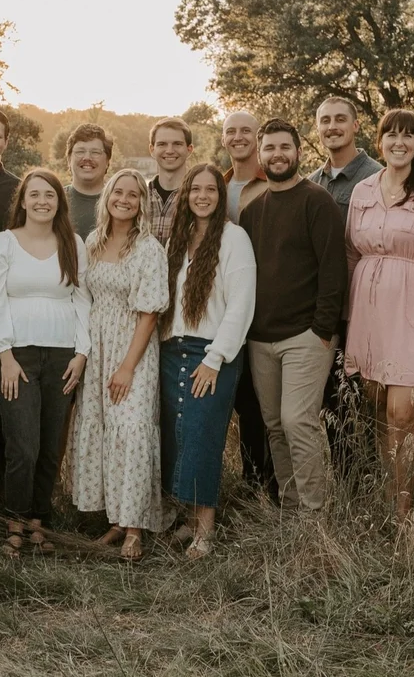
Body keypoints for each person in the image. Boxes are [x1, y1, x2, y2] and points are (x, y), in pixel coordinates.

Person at [344, 110, 414, 517]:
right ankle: (389, 492)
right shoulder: (362, 191)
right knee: (378, 409)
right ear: (380, 142)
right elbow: (350, 253)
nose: (399, 142)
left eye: (408, 136)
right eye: (391, 135)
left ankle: (405, 508)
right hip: (368, 315)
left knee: (402, 413)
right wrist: (348, 317)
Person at [0, 169, 91, 556]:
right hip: (18, 356)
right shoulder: (4, 243)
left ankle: (40, 522)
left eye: (50, 195)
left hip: (63, 356)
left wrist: (82, 353)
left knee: (48, 445)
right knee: (22, 445)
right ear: (23, 201)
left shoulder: (73, 243)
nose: (42, 201)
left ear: (59, 202)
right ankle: (15, 521)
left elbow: (83, 299)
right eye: (35, 194)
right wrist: (4, 355)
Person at [240, 119, 347, 512]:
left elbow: (334, 271)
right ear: (260, 155)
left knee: (297, 422)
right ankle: (290, 508)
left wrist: (322, 330)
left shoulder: (317, 201)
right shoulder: (252, 212)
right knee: (273, 425)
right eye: (269, 148)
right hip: (260, 338)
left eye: (284, 147)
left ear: (299, 152)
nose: (277, 155)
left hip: (306, 336)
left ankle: (313, 514)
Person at [69, 169, 169, 560]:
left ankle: (134, 529)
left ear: (142, 203)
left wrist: (127, 366)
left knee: (131, 430)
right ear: (107, 197)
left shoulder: (148, 249)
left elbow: (149, 314)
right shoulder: (93, 241)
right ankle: (115, 518)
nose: (124, 200)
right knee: (103, 427)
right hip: (97, 349)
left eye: (133, 194)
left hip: (133, 350)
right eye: (118, 192)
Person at [159, 163, 255, 559]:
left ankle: (205, 530)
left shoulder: (234, 239)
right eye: (195, 189)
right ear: (186, 195)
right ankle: (185, 518)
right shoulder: (176, 241)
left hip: (212, 352)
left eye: (211, 190)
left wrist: (215, 358)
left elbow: (240, 304)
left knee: (201, 436)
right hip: (171, 350)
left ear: (220, 196)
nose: (202, 196)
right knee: (175, 436)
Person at [306, 96, 383, 481]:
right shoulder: (311, 183)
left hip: (367, 307)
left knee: (371, 401)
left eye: (340, 119)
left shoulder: (377, 177)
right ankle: (349, 484)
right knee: (333, 402)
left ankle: (376, 484)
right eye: (325, 121)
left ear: (356, 125)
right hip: (324, 310)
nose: (332, 126)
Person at [220, 111, 274, 499]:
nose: (238, 137)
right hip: (222, 309)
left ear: (258, 138)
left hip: (265, 309)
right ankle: (240, 482)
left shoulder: (273, 184)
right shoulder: (216, 187)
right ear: (223, 139)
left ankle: (262, 486)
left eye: (246, 131)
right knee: (235, 397)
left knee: (258, 403)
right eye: (231, 131)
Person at [146, 118, 194, 243]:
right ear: (152, 150)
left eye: (177, 144)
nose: (169, 151)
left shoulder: (199, 197)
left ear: (189, 149)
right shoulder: (140, 197)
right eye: (162, 144)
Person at [65, 123, 112, 241]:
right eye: (80, 151)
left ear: (107, 161)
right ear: (69, 159)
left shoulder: (119, 203)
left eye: (95, 152)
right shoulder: (54, 200)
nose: (87, 158)